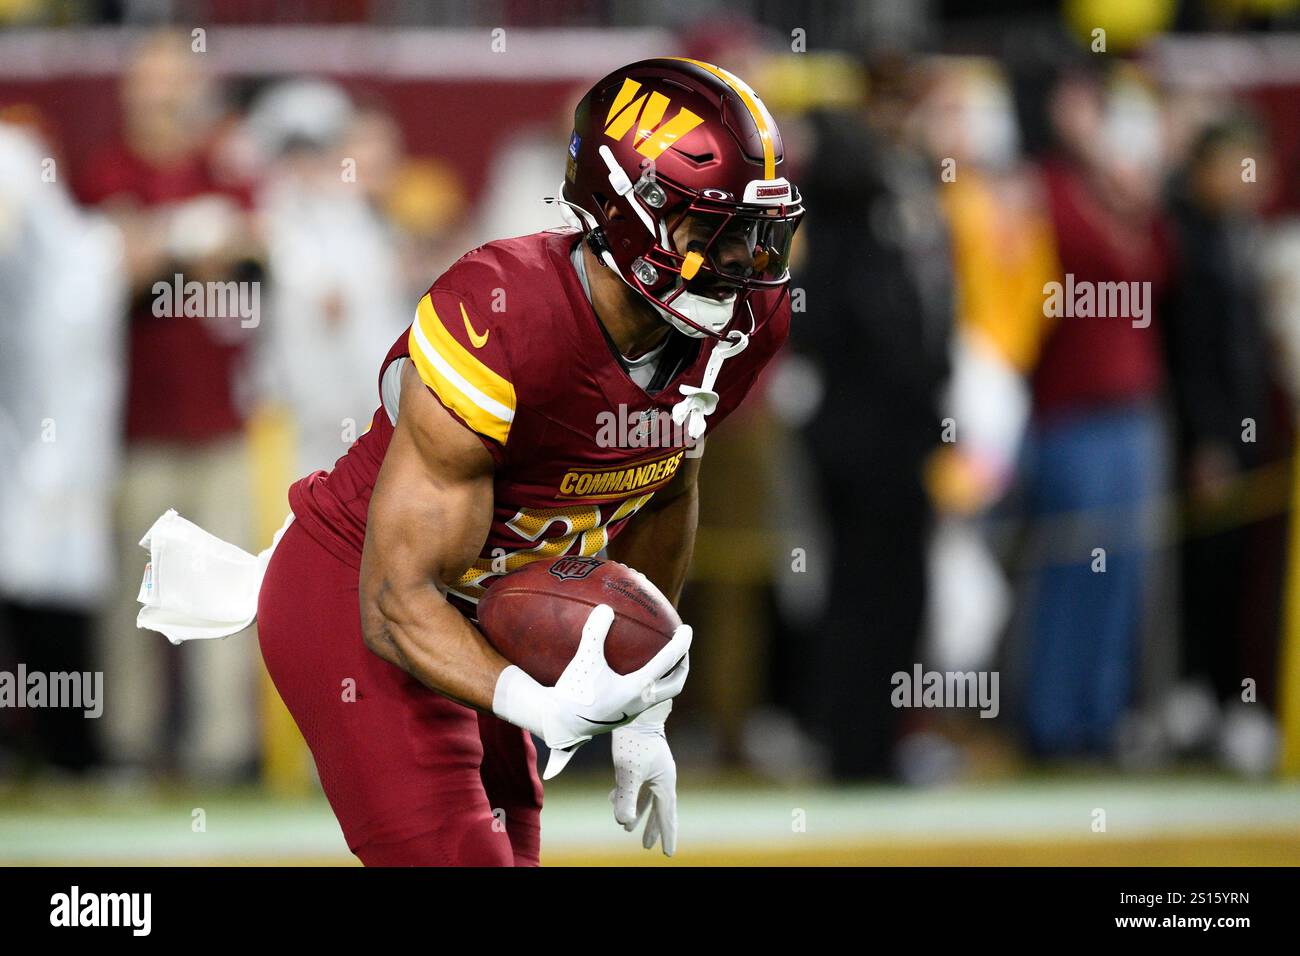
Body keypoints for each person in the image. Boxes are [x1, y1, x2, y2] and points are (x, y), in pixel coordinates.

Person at [253, 58, 804, 865]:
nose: (747, 260)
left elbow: (666, 481)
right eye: (713, 228)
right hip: (364, 594)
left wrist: (642, 700)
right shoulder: (504, 313)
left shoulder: (746, 320)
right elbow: (394, 601)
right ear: (629, 212)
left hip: (493, 602)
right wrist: (534, 700)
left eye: (759, 231)